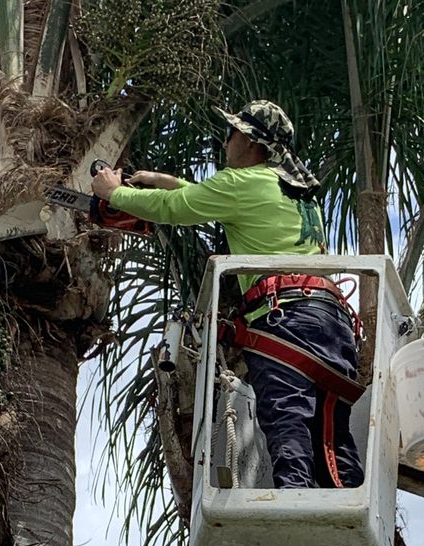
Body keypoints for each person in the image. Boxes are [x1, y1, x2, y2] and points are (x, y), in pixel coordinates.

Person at [91, 100, 365, 489]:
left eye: (232, 133)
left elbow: (177, 209)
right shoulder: (294, 189)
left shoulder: (242, 184)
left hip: (285, 320)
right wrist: (160, 179)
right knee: (332, 436)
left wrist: (114, 193)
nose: (225, 142)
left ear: (252, 142)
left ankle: (295, 510)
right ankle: (345, 519)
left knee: (287, 418)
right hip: (330, 320)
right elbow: (205, 197)